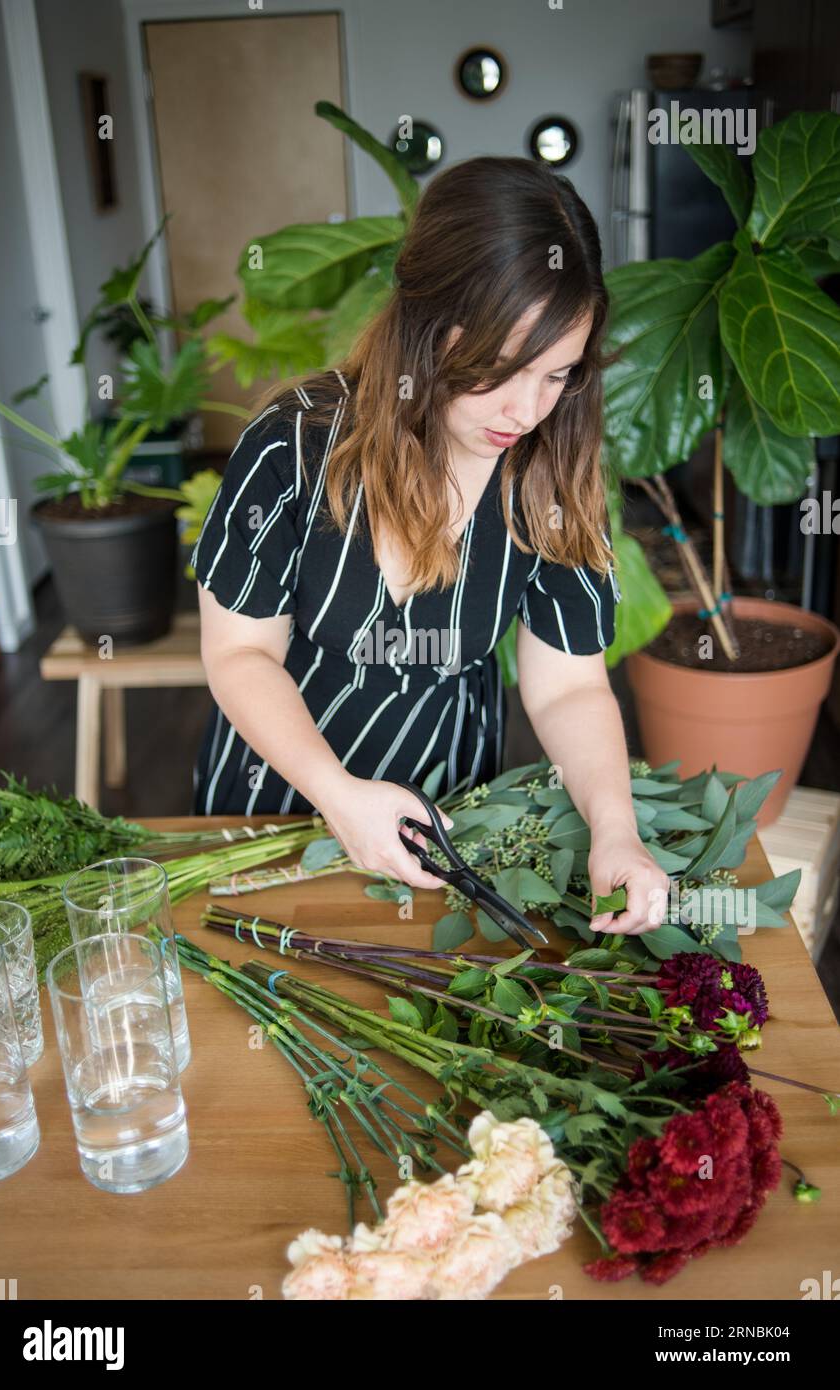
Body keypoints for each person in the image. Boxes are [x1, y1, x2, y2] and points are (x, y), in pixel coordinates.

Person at [192, 155, 669, 935]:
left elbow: (567, 689)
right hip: (275, 803)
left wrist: (615, 831)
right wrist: (337, 794)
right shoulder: (293, 450)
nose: (524, 409)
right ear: (424, 321)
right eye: (497, 368)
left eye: (556, 376)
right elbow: (239, 655)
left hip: (448, 818)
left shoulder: (547, 473)